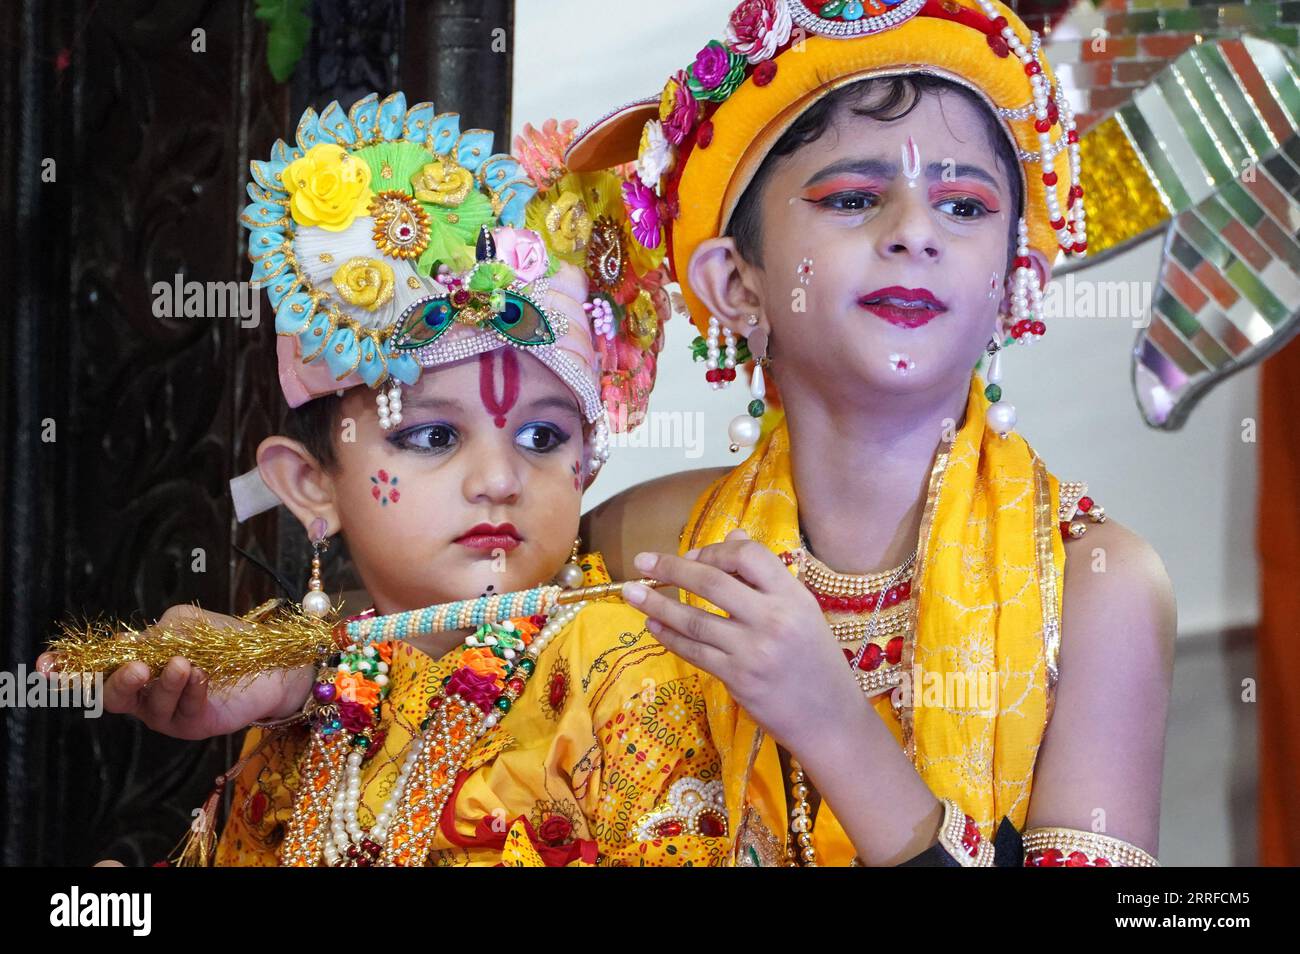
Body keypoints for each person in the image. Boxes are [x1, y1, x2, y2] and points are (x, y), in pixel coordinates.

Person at [41, 94, 735, 867]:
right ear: (309, 486)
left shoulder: (625, 675)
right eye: (432, 435)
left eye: (543, 436)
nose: (501, 478)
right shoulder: (316, 695)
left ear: (589, 463)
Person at [563, 0, 1176, 866]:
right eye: (854, 197)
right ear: (737, 286)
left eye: (964, 207)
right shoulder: (642, 547)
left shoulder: (1098, 587)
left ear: (1014, 282)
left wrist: (834, 727)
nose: (915, 234)